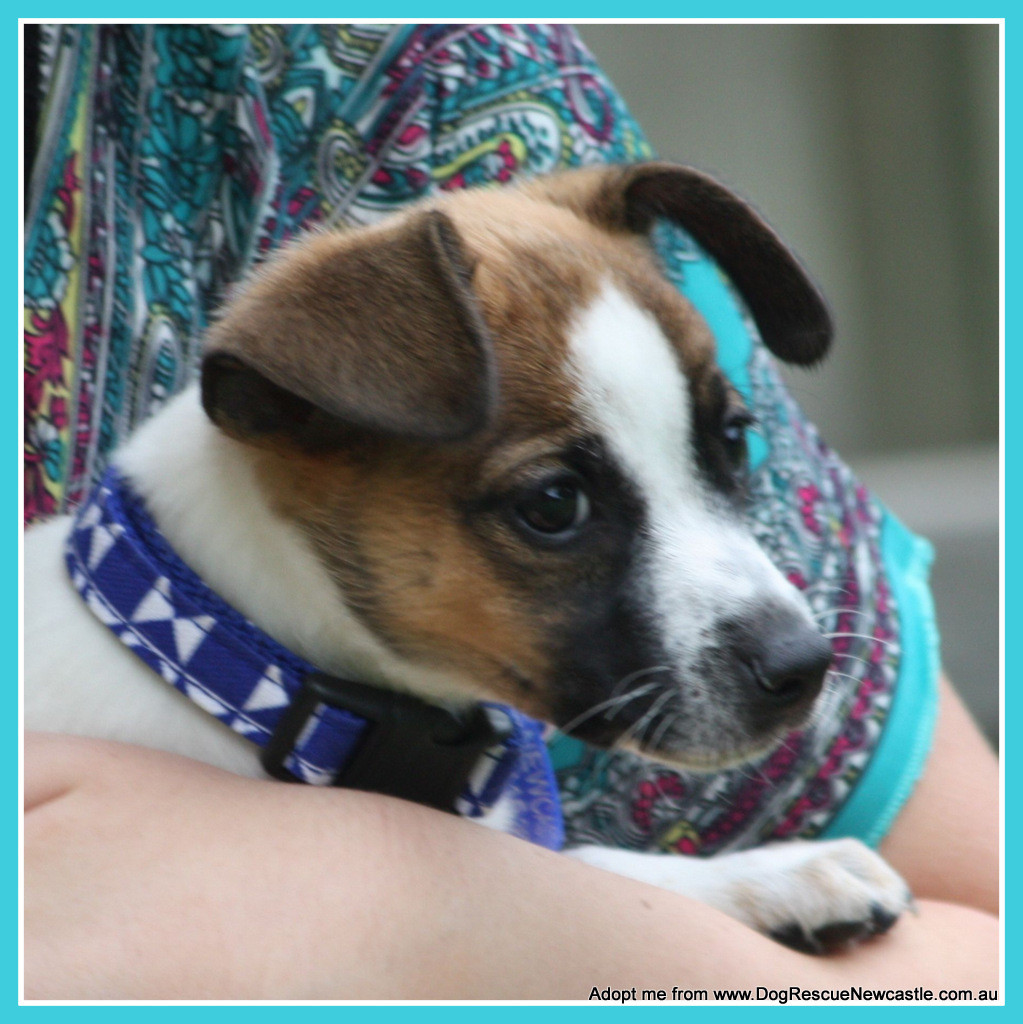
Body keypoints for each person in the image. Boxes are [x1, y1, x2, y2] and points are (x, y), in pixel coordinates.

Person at [24, 24, 998, 999]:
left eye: (724, 445)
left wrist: (512, 908)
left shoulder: (410, 61)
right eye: (555, 505)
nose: (778, 624)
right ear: (300, 419)